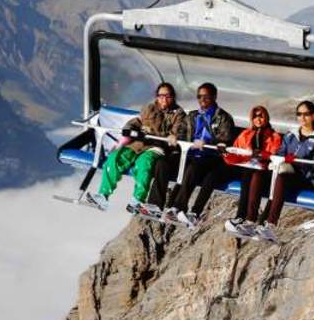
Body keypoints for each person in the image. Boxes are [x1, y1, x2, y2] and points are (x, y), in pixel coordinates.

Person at [82, 82, 187, 213]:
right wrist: (129, 130)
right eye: (161, 96)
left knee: (144, 164)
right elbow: (137, 121)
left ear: (173, 97)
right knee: (115, 158)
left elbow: (179, 130)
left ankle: (138, 200)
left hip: (156, 146)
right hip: (138, 144)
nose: (164, 99)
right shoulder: (150, 108)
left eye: (168, 96)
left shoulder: (178, 114)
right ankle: (103, 195)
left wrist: (172, 136)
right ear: (157, 97)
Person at [249, 100, 314, 241]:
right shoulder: (291, 135)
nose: (302, 118)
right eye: (299, 114)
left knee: (281, 178)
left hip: (306, 177)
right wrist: (280, 159)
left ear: (313, 116)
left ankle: (270, 225)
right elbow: (280, 153)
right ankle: (250, 220)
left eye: (306, 114)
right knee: (259, 173)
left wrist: (297, 161)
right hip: (286, 171)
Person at [165, 82, 236, 226]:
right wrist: (174, 136)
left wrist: (208, 142)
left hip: (212, 157)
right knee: (174, 162)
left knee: (194, 166)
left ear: (214, 97)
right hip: (193, 154)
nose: (202, 100)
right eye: (199, 96)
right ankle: (166, 205)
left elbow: (226, 138)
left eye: (206, 96)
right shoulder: (192, 116)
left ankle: (180, 206)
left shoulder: (223, 117)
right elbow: (181, 131)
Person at [221, 105, 282, 237]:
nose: (258, 119)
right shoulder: (246, 134)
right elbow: (236, 154)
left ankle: (250, 218)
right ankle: (241, 216)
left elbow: (274, 154)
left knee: (255, 174)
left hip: (264, 170)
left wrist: (261, 155)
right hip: (248, 167)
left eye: (261, 116)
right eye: (255, 116)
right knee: (247, 173)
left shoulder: (273, 136)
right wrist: (227, 154)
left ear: (266, 117)